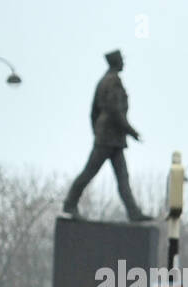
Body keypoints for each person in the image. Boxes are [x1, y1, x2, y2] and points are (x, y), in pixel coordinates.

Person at [62, 50, 153, 222]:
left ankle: (133, 212)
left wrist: (97, 130)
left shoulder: (105, 81)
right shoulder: (112, 82)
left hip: (112, 139)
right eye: (122, 60)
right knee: (90, 172)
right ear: (116, 62)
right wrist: (131, 131)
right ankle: (69, 203)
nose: (124, 62)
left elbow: (94, 113)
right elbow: (114, 111)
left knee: (122, 178)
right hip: (108, 138)